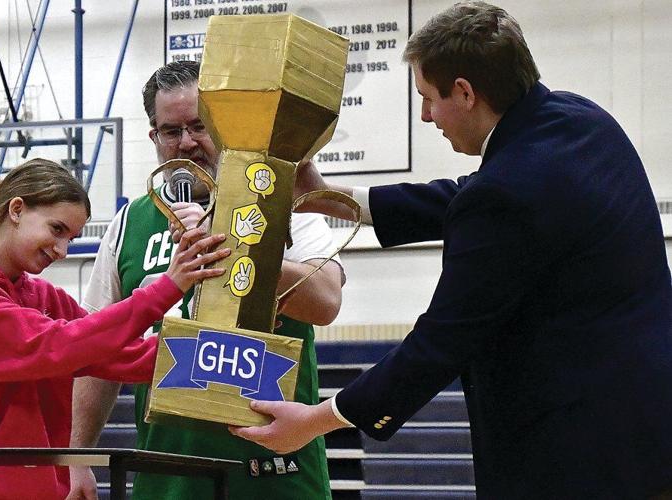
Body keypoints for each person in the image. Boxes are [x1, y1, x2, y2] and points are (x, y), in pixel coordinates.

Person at [231, 2, 672, 498]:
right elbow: (469, 194)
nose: (425, 115)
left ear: (464, 92)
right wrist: (332, 197)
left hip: (576, 455)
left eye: (427, 98)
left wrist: (317, 420)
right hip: (647, 428)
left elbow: (439, 343)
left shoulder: (507, 192)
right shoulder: (577, 120)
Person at [68, 60, 344, 500]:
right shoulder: (129, 223)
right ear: (154, 136)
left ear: (225, 126)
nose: (188, 143)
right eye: (171, 131)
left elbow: (326, 301)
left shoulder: (281, 201)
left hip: (273, 472)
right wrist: (78, 456)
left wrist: (235, 244)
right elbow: (98, 348)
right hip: (168, 472)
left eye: (199, 126)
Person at [0, 158, 229, 500]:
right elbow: (55, 345)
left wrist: (219, 355)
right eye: (57, 229)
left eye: (71, 239)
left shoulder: (44, 296)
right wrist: (167, 287)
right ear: (16, 209)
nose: (62, 251)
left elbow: (117, 354)